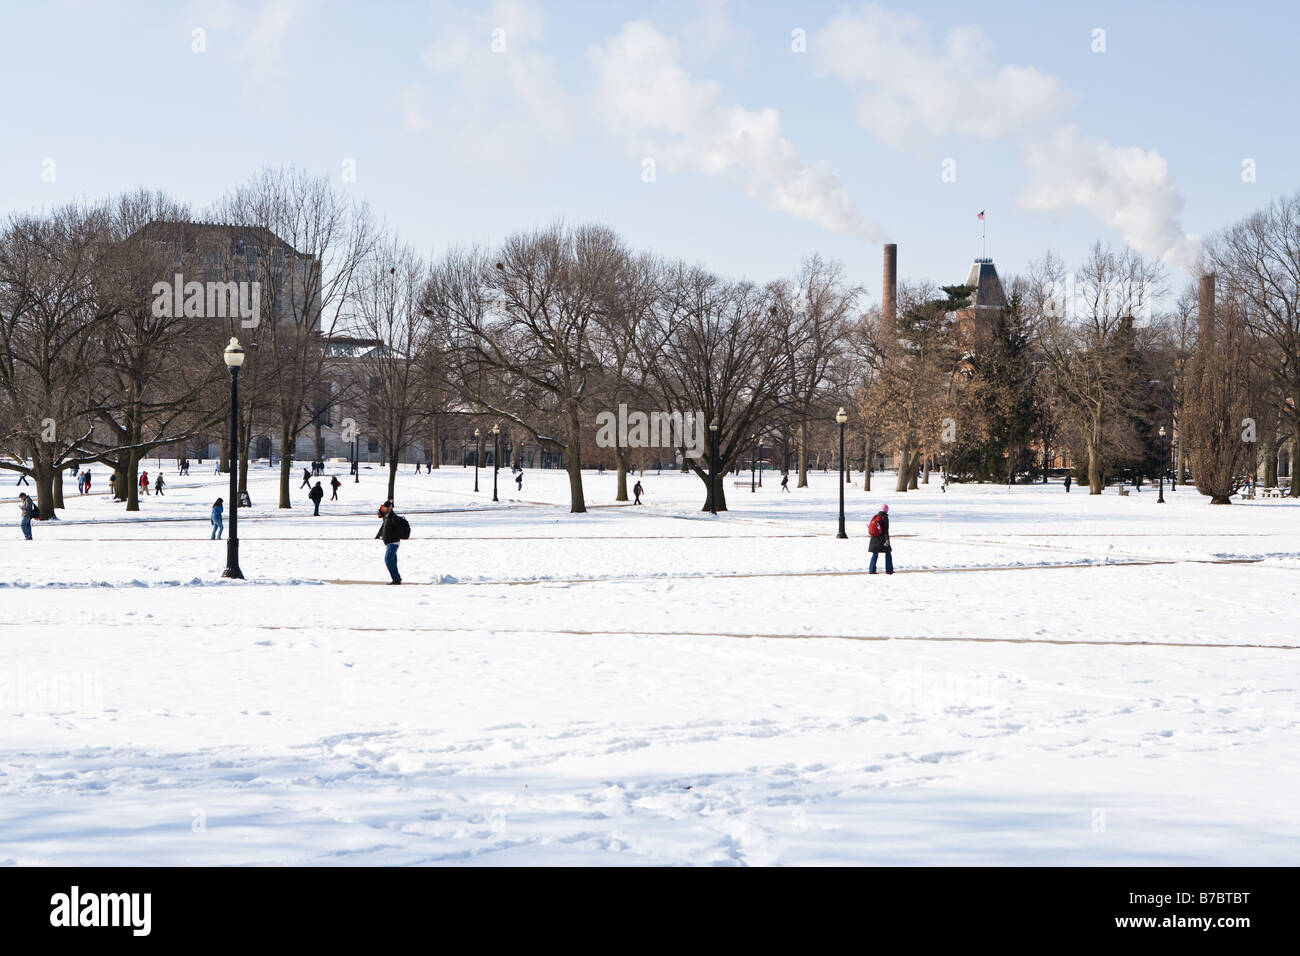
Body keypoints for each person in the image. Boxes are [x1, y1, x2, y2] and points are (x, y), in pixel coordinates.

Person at [375, 500, 404, 584]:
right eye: (384, 507)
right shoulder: (386, 516)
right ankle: (397, 578)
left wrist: (393, 536)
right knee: (393, 561)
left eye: (387, 507)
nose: (385, 509)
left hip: (393, 542)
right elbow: (379, 516)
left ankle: (396, 579)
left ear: (390, 508)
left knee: (388, 559)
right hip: (389, 543)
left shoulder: (393, 517)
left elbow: (398, 529)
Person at [868, 504, 893, 575]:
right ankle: (889, 570)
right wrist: (887, 539)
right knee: (888, 553)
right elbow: (886, 530)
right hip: (882, 539)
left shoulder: (875, 516)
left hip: (874, 538)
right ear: (887, 510)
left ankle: (871, 570)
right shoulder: (885, 517)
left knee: (875, 554)